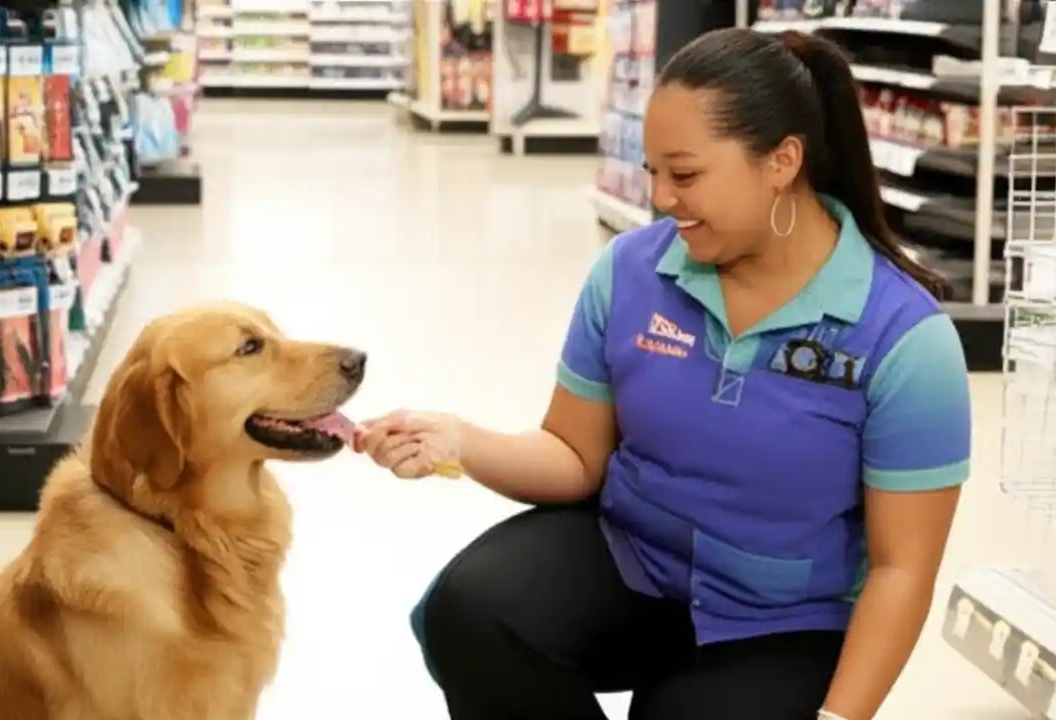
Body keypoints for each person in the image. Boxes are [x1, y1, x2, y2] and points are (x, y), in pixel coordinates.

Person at [354, 27, 971, 720]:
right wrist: (460, 440)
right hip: (630, 559)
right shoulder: (630, 273)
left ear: (782, 162)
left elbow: (900, 569)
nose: (662, 199)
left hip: (778, 621)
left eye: (685, 174)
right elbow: (574, 456)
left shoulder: (904, 338)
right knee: (470, 611)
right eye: (652, 173)